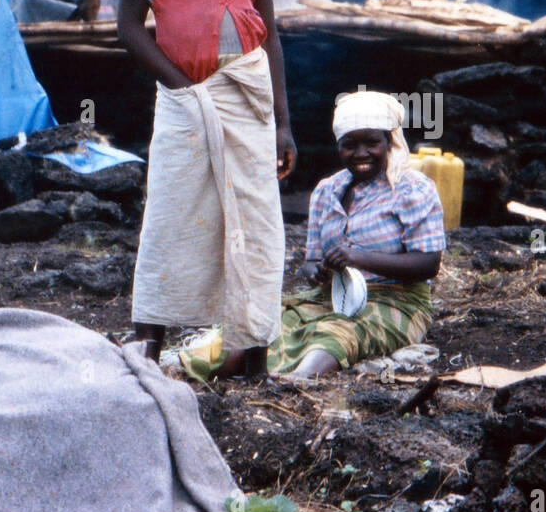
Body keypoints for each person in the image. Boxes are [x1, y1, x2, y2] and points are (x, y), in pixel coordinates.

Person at [116, 0, 297, 375]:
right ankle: (148, 345)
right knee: (171, 213)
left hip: (247, 95)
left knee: (258, 220)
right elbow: (128, 26)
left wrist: (284, 124)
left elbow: (270, 37)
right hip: (183, 96)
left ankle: (254, 353)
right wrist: (180, 86)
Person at [179, 90, 445, 381]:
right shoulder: (327, 191)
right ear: (338, 146)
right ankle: (212, 366)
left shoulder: (412, 188)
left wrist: (358, 258)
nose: (361, 154)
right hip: (329, 296)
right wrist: (317, 272)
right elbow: (310, 261)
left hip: (396, 300)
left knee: (339, 333)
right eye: (349, 145)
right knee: (260, 327)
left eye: (372, 143)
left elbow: (428, 263)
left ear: (389, 142)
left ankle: (298, 379)